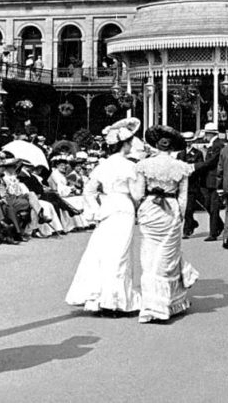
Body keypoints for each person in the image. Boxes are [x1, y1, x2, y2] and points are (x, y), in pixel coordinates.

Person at [65, 118, 142, 315]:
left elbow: (88, 190)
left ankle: (98, 299)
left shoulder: (103, 165)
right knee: (120, 255)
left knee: (102, 253)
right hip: (123, 208)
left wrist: (92, 210)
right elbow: (137, 194)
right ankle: (115, 301)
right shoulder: (130, 166)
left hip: (107, 208)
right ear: (125, 144)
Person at [131, 126, 197, 323]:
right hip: (170, 209)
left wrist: (138, 207)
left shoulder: (144, 165)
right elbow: (183, 197)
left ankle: (150, 306)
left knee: (149, 255)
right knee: (167, 257)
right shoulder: (181, 167)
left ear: (155, 145)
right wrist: (181, 217)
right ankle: (168, 303)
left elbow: (137, 194)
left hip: (150, 210)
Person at [197, 122, 226, 242]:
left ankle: (213, 232)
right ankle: (219, 225)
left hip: (214, 179)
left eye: (206, 134)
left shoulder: (217, 145)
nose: (205, 136)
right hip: (208, 179)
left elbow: (212, 162)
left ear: (210, 134)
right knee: (208, 204)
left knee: (213, 206)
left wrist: (196, 166)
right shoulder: (212, 145)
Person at [180, 132, 204, 239]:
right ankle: (192, 223)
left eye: (190, 142)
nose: (188, 144)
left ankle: (187, 230)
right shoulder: (180, 154)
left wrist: (191, 170)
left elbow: (200, 166)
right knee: (184, 208)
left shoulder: (198, 153)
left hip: (193, 184)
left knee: (189, 208)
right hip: (182, 185)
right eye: (186, 142)